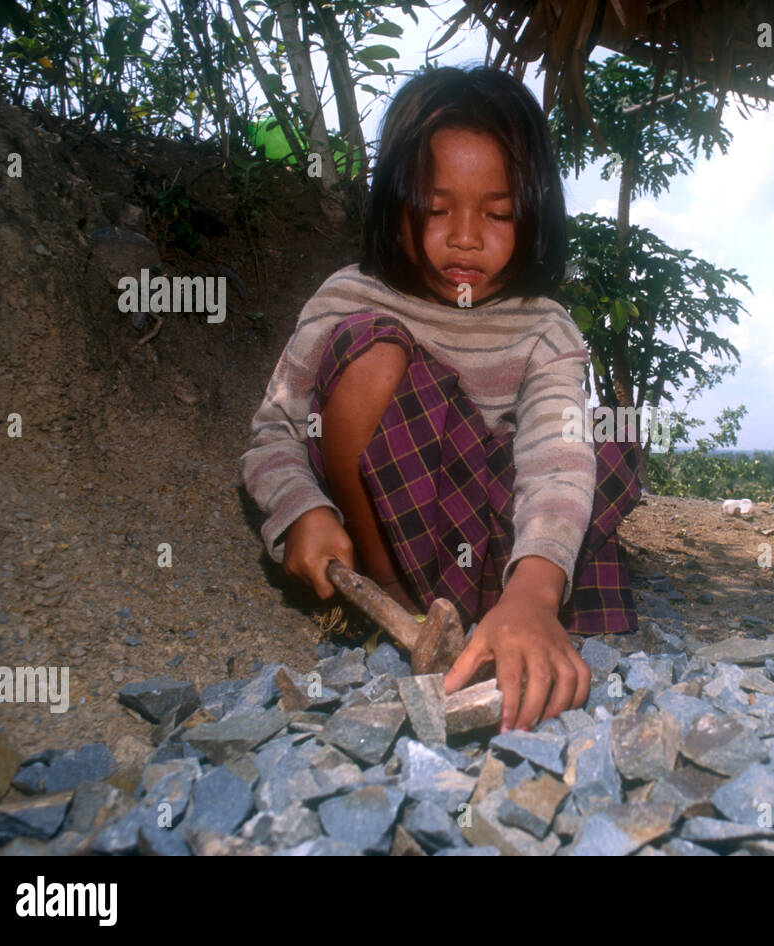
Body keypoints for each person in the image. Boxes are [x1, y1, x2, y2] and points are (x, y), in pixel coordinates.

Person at [240, 67, 641, 732]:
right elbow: (275, 432)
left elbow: (555, 461)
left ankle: (515, 618)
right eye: (435, 207)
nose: (464, 236)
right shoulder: (350, 294)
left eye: (498, 213)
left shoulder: (544, 327)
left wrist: (534, 596)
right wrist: (302, 511)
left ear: (533, 213)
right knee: (372, 353)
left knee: (603, 434)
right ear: (395, 202)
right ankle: (391, 605)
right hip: (392, 552)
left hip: (499, 564)